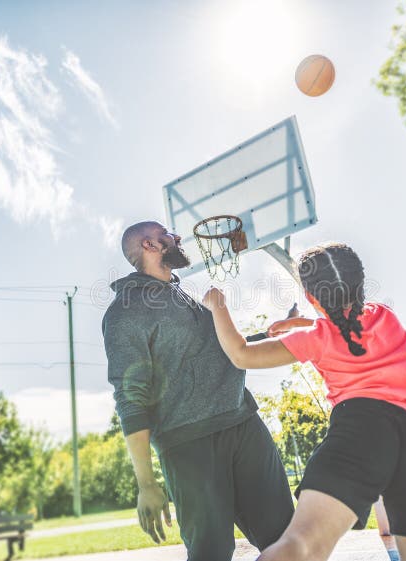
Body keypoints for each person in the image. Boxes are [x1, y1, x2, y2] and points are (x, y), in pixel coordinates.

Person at [202, 242, 406, 561]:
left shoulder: (315, 339)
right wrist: (298, 324)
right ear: (360, 283)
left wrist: (218, 306)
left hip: (361, 432)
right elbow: (347, 328)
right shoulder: (385, 316)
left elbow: (240, 354)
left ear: (310, 298)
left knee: (300, 547)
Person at [102, 221, 294, 561]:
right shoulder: (124, 312)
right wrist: (146, 483)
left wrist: (274, 333)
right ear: (149, 245)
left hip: (242, 423)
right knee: (212, 553)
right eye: (169, 234)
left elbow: (223, 351)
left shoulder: (182, 292)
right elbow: (130, 398)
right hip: (188, 442)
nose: (177, 238)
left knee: (288, 540)